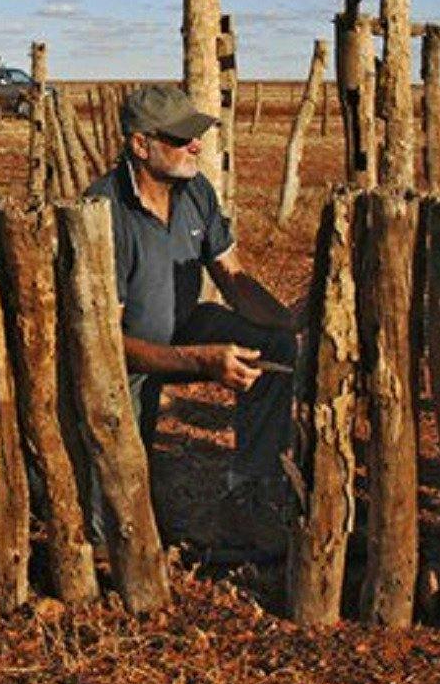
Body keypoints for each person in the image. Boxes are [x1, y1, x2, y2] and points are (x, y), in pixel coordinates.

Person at [83, 83, 301, 554]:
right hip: (126, 354)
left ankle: (249, 494)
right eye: (181, 138)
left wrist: (288, 322)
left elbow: (233, 278)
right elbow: (105, 341)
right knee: (114, 514)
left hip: (185, 323)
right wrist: (199, 362)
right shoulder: (103, 210)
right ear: (140, 145)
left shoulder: (195, 190)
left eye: (195, 135)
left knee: (276, 351)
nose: (196, 145)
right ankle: (111, 542)